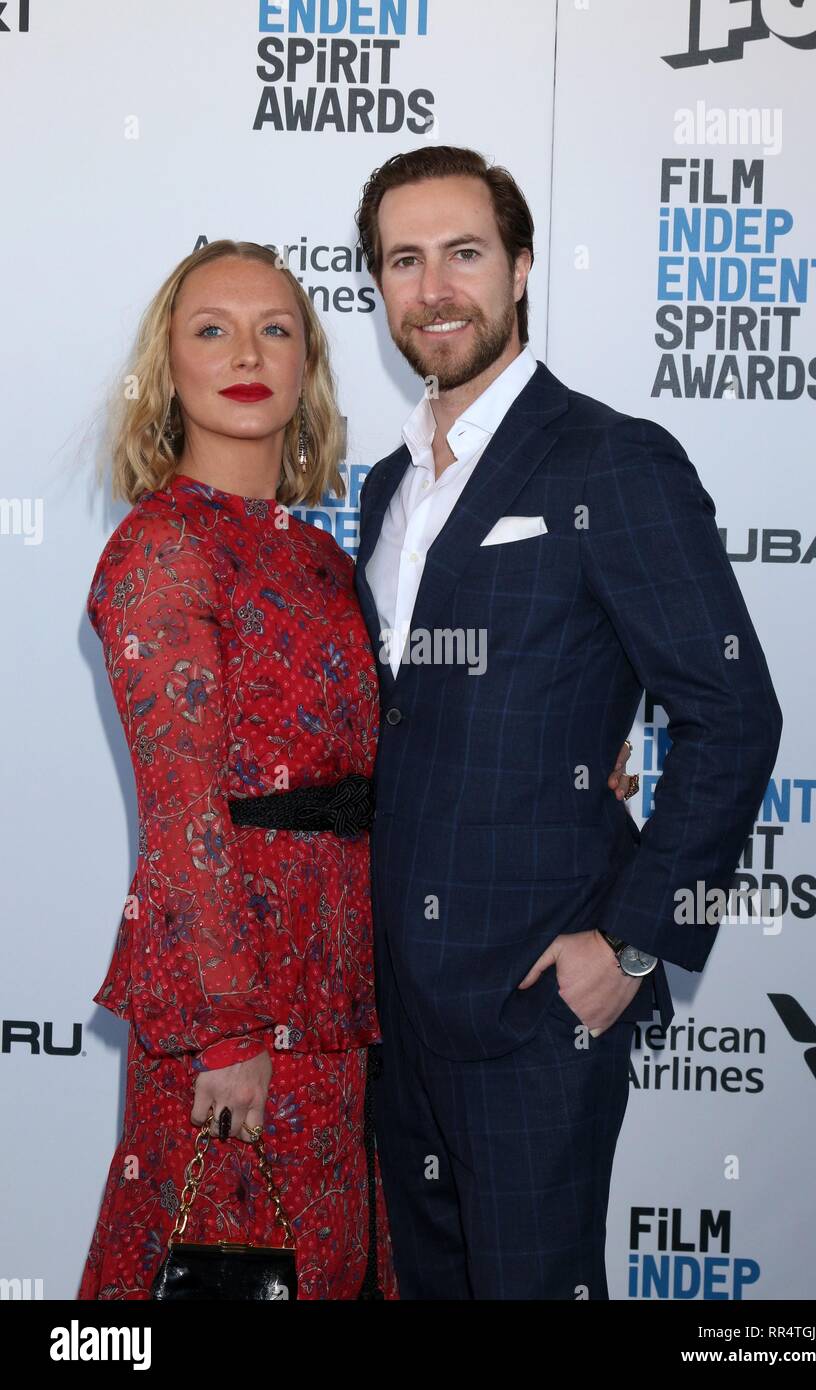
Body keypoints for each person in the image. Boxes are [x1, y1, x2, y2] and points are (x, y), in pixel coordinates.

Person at [352, 146, 783, 1300]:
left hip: (538, 1003)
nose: (434, 286)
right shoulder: (384, 490)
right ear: (378, 286)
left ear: (521, 266)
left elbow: (729, 711)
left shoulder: (609, 457)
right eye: (404, 260)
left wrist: (631, 943)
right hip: (393, 1011)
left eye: (463, 253)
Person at [78, 239, 397, 1300]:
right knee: (222, 1265)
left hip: (342, 990)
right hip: (237, 1006)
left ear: (307, 365)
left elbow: (374, 767)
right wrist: (230, 1028)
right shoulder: (164, 549)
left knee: (326, 1269)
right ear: (168, 368)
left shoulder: (316, 555)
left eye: (276, 328)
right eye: (210, 328)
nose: (246, 351)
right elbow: (182, 814)